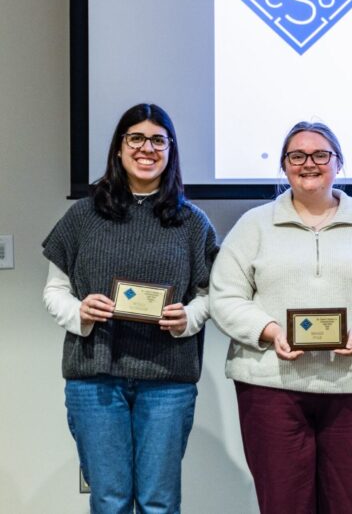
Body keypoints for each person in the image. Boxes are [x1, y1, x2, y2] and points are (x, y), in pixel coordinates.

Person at [209, 121, 352, 514]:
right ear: (284, 166)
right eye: (296, 156)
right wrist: (268, 330)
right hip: (271, 388)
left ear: (338, 163)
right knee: (284, 505)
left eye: (320, 155)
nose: (309, 163)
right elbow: (224, 296)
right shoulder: (254, 225)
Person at [42, 103, 218, 513]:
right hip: (95, 378)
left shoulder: (193, 223)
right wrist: (80, 313)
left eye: (158, 140)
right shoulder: (82, 216)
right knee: (109, 500)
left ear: (170, 150)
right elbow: (55, 291)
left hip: (167, 381)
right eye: (135, 138)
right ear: (119, 148)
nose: (147, 148)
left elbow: (212, 295)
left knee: (159, 502)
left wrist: (188, 319)